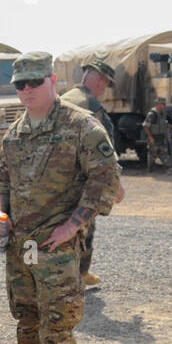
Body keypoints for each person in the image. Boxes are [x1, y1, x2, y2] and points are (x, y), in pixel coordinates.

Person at [0, 51, 121, 344]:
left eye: (34, 82)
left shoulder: (81, 126)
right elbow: (3, 184)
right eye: (20, 85)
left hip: (58, 248)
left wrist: (73, 225)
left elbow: (107, 179)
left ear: (52, 81)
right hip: (20, 247)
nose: (27, 90)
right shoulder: (15, 134)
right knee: (27, 319)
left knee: (57, 324)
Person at [59, 56, 123, 287]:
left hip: (56, 179)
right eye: (105, 84)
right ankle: (79, 274)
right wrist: (116, 183)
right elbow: (106, 150)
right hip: (82, 179)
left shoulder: (61, 101)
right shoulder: (93, 108)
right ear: (100, 81)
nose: (105, 89)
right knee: (84, 226)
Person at [143, 96, 172, 173]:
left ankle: (169, 168)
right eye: (162, 104)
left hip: (161, 136)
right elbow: (145, 126)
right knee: (152, 155)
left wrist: (171, 126)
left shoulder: (162, 113)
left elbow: (163, 124)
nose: (164, 106)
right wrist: (150, 137)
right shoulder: (152, 114)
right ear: (158, 104)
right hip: (154, 137)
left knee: (164, 153)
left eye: (164, 104)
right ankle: (150, 170)